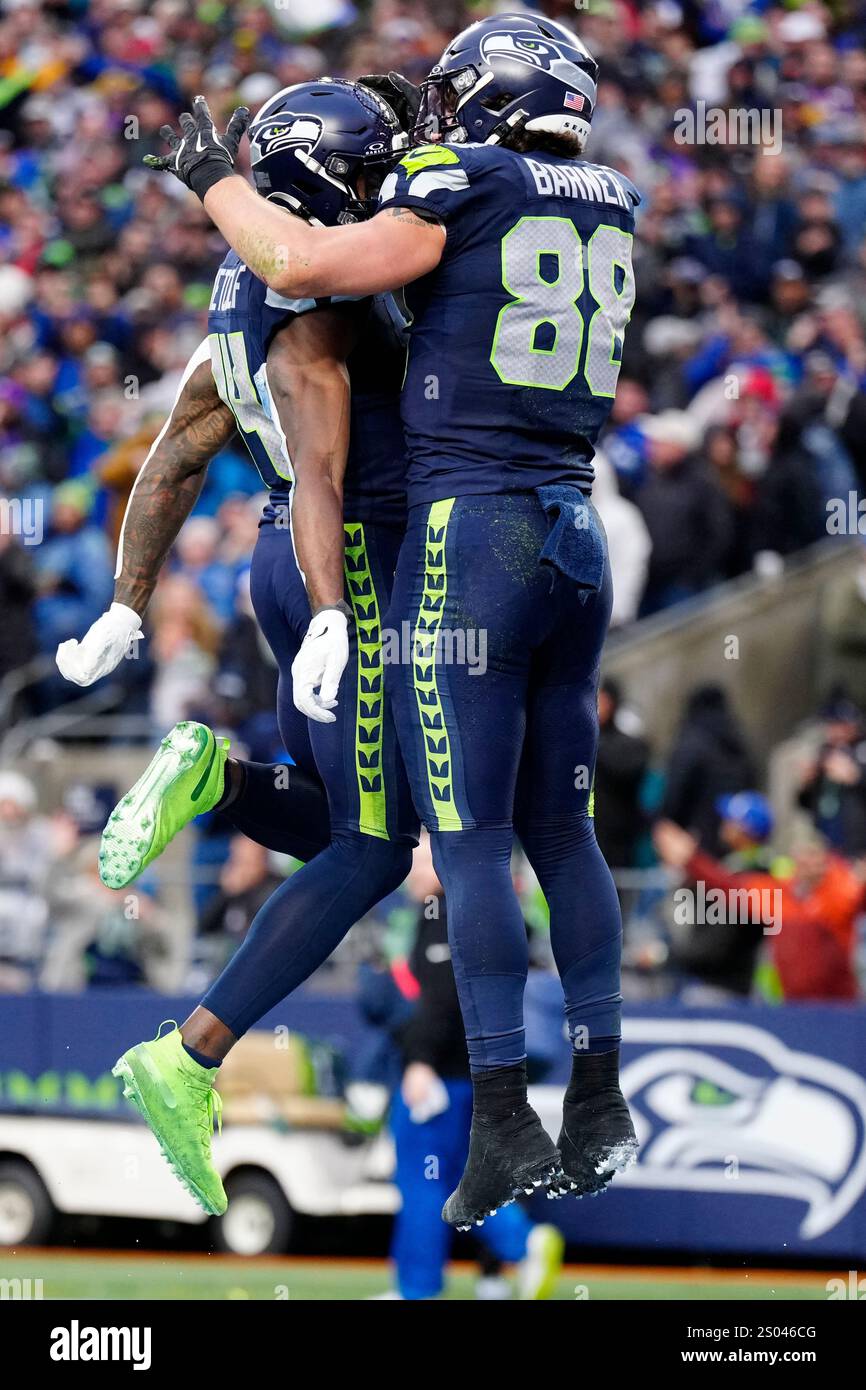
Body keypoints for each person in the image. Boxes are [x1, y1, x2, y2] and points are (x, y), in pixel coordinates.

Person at [149, 11, 639, 1227]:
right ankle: (598, 1093)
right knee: (561, 832)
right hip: (571, 529)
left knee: (462, 840)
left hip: (469, 537)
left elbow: (305, 268)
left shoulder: (457, 178)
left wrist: (211, 171)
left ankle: (500, 1119)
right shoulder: (611, 192)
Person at [56, 80, 420, 1217]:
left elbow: (169, 460)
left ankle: (215, 777)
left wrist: (127, 601)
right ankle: (192, 1052)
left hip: (279, 554)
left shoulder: (235, 288)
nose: (387, 189)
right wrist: (331, 611)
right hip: (343, 555)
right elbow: (318, 465)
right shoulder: (317, 303)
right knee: (369, 847)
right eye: (372, 170)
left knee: (326, 817)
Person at [381, 835, 564, 1300]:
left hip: (443, 1074)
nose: (409, 868)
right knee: (461, 1177)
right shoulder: (479, 912)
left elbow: (441, 998)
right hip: (475, 1073)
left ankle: (420, 1288)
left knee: (423, 1181)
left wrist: (420, 1061)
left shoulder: (443, 915)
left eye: (417, 858)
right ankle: (522, 1244)